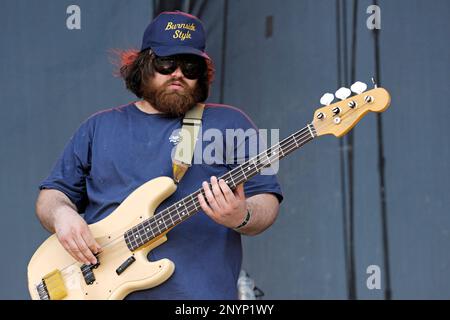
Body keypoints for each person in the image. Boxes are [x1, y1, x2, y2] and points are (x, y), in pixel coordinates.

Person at [36, 11, 283, 300]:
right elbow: (51, 195)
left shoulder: (233, 123)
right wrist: (62, 215)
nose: (178, 73)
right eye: (167, 63)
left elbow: (267, 198)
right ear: (144, 65)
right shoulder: (98, 126)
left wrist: (242, 216)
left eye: (190, 66)